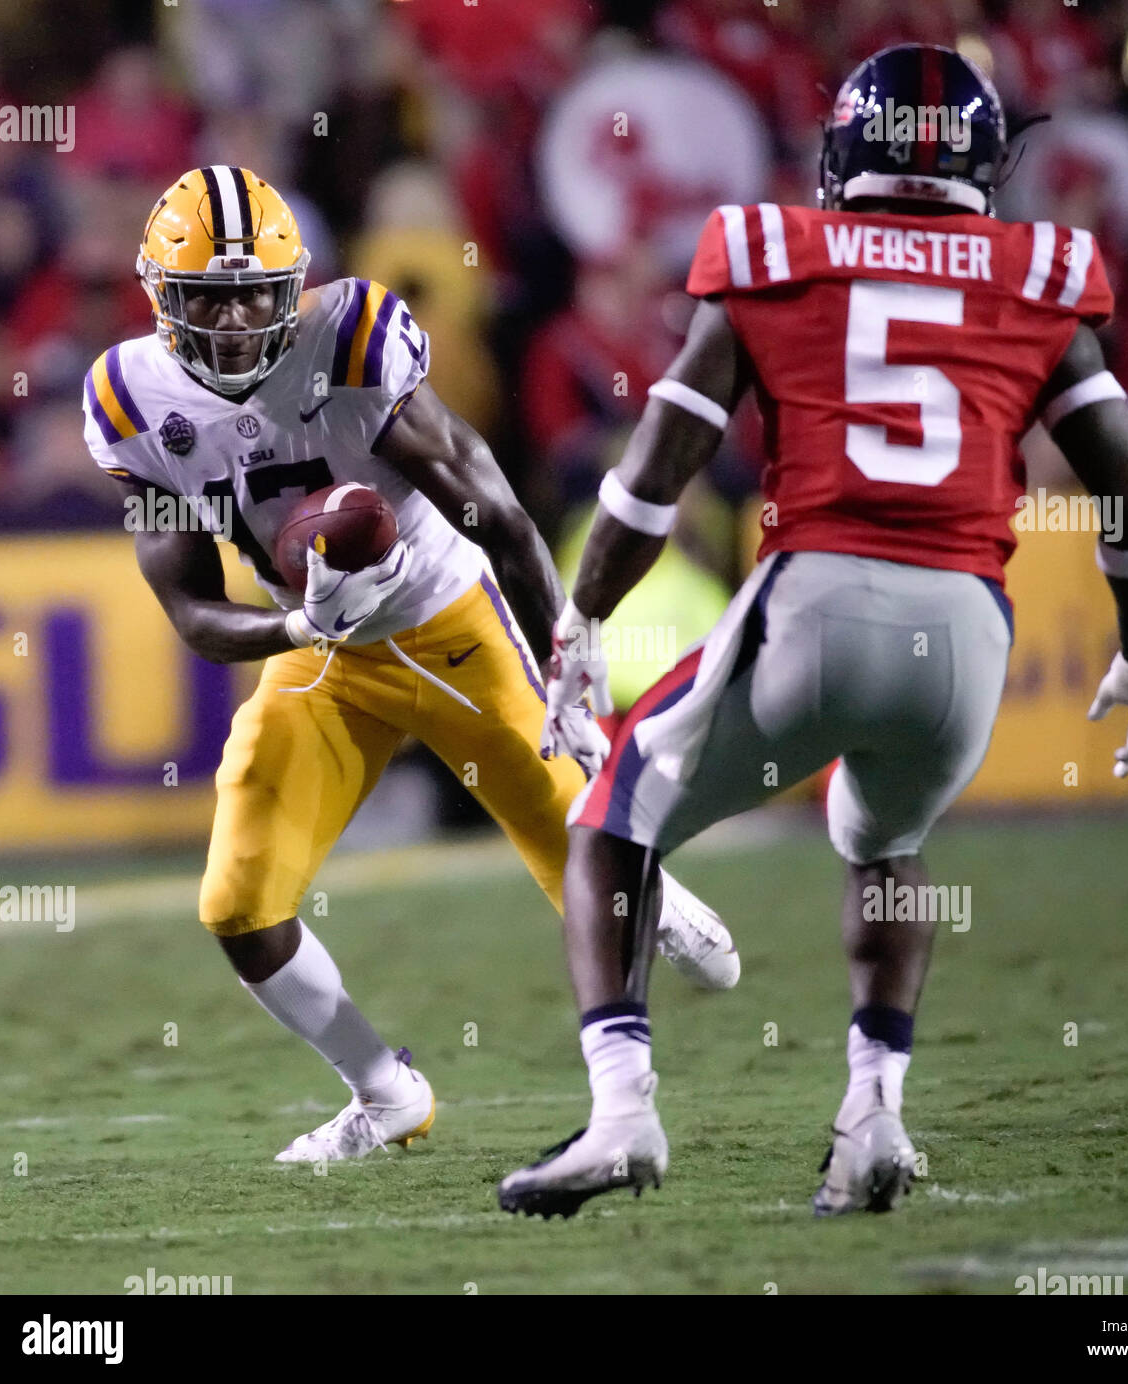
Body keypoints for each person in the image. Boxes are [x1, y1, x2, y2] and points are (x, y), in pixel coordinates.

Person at [500, 45, 1128, 1218]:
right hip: (965, 634)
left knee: (611, 820)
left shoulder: (775, 255)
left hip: (818, 594)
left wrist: (581, 615)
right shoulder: (1039, 272)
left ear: (841, 157)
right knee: (881, 841)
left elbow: (655, 475)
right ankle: (874, 1116)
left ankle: (622, 1113)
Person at [81, 166, 739, 1164]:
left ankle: (634, 868)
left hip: (444, 620)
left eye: (258, 289)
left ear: (293, 282)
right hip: (326, 651)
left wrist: (570, 662)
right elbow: (191, 611)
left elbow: (503, 517)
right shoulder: (131, 399)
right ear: (164, 302)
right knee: (237, 903)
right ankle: (384, 1092)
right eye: (210, 297)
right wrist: (299, 631)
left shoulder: (349, 342)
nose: (238, 316)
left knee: (603, 895)